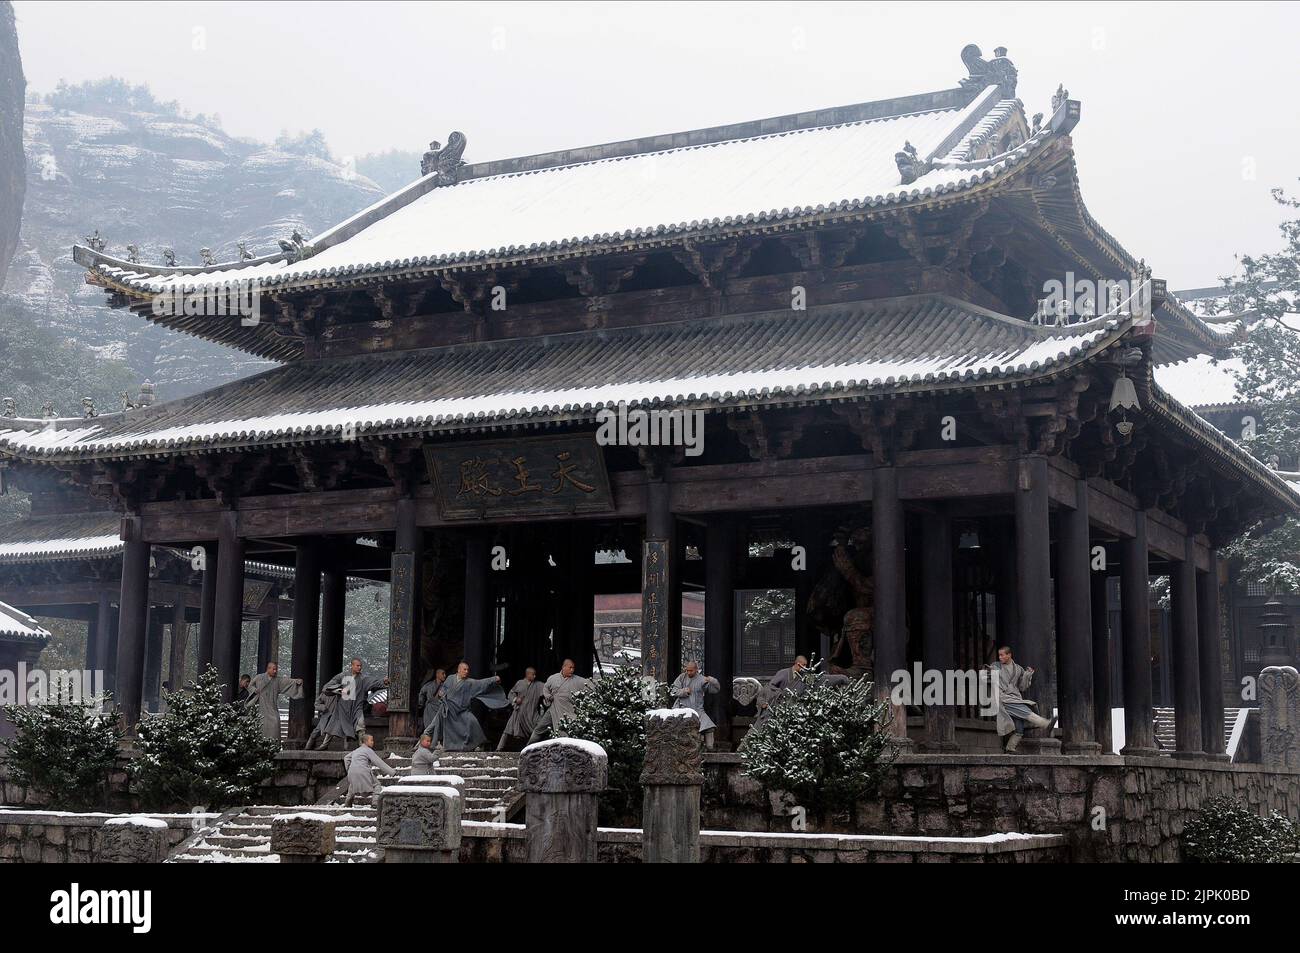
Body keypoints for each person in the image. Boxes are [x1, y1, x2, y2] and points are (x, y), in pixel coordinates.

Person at [309, 657, 388, 750]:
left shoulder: (363, 679)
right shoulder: (342, 676)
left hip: (356, 707)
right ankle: (324, 745)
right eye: (357, 665)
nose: (359, 667)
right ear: (352, 666)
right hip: (342, 707)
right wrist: (339, 689)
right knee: (332, 726)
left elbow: (374, 682)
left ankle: (362, 747)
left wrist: (383, 681)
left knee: (361, 725)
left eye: (360, 666)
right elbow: (328, 686)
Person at [988, 646, 1056, 753]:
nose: (1000, 657)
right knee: (1025, 710)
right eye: (999, 655)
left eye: (1002, 655)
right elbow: (986, 674)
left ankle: (1010, 748)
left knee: (1019, 729)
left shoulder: (1018, 669)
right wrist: (988, 671)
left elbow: (1022, 687)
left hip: (1015, 697)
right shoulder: (996, 666)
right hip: (1003, 698)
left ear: (1009, 655)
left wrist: (1027, 675)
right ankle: (1045, 724)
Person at [438, 661, 510, 752]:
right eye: (464, 669)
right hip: (450, 710)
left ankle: (477, 744)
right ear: (459, 670)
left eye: (468, 670)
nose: (466, 671)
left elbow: (482, 683)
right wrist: (441, 692)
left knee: (472, 721)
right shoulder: (450, 678)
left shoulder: (469, 682)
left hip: (463, 710)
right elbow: (444, 688)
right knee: (439, 723)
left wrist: (494, 678)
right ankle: (441, 743)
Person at [528, 659, 593, 744]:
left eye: (573, 668)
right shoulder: (553, 678)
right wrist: (548, 696)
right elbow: (546, 688)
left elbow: (590, 684)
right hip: (552, 711)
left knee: (565, 734)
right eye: (570, 668)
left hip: (568, 712)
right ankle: (528, 748)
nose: (572, 670)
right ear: (563, 667)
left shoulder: (577, 680)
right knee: (538, 730)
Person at [244, 661, 303, 747]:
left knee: (275, 722)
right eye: (273, 669)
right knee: (261, 726)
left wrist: (296, 681)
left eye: (276, 669)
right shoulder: (259, 677)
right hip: (261, 708)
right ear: (268, 669)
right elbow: (250, 686)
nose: (275, 671)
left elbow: (287, 681)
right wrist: (254, 690)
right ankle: (260, 746)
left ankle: (274, 746)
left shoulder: (277, 680)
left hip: (272, 707)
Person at [670, 660, 721, 748]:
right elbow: (673, 691)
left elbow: (715, 690)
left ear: (696, 670)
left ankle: (710, 748)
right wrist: (684, 691)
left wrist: (712, 680)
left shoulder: (702, 679)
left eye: (691, 670)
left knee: (709, 727)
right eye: (687, 670)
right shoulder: (681, 677)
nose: (689, 672)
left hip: (697, 710)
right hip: (682, 709)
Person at [497, 667, 544, 751]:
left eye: (535, 674)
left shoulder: (538, 685)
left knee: (539, 728)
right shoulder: (520, 683)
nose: (534, 676)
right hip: (518, 712)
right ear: (528, 674)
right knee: (508, 730)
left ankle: (529, 747)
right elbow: (511, 694)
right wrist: (515, 699)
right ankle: (499, 748)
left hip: (531, 713)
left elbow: (547, 689)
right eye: (533, 674)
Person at [343, 734, 396, 806]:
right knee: (377, 785)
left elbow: (346, 758)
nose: (373, 742)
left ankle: (347, 803)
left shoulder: (356, 750)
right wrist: (392, 772)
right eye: (371, 740)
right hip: (363, 771)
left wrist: (349, 769)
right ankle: (375, 803)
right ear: (365, 742)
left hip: (352, 772)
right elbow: (379, 762)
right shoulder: (368, 750)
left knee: (352, 786)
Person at [416, 668, 447, 747]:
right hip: (429, 709)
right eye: (443, 673)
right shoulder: (429, 685)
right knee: (429, 725)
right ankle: (427, 743)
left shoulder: (446, 686)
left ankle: (440, 742)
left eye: (445, 674)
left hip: (440, 708)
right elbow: (422, 693)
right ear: (437, 674)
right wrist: (420, 703)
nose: (445, 675)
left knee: (440, 725)